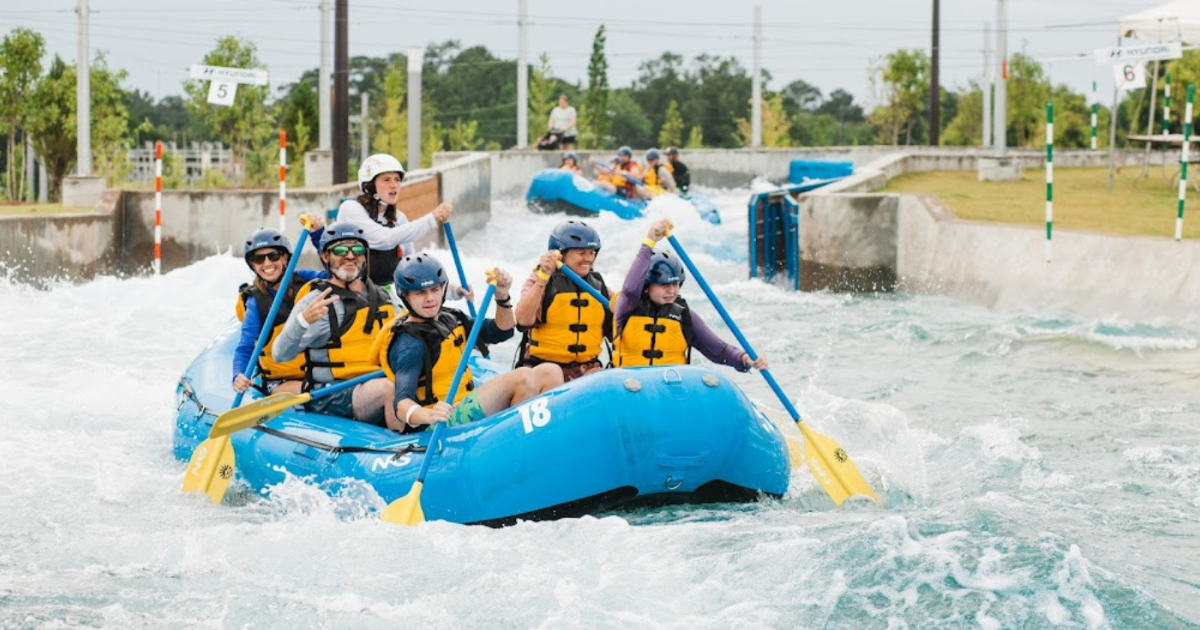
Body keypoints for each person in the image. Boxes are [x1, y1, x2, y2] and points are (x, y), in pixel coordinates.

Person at [376, 255, 563, 432]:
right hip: (438, 424)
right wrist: (428, 414)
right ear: (405, 296)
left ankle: (547, 439)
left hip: (463, 403)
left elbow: (502, 331)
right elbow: (401, 403)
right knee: (522, 378)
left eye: (435, 290)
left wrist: (502, 296)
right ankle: (517, 444)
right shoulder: (409, 343)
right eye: (420, 293)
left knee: (551, 372)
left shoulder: (451, 318)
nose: (430, 298)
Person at [272, 222, 399, 427]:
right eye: (340, 250)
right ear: (325, 256)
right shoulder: (314, 302)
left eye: (357, 249)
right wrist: (303, 321)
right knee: (390, 388)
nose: (350, 256)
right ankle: (403, 451)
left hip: (377, 378)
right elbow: (280, 354)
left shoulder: (384, 296)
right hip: (332, 393)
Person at [613, 219, 769, 372]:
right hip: (631, 387)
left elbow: (718, 351)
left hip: (668, 389)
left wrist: (745, 359)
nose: (672, 291)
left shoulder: (684, 316)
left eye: (676, 284)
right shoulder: (627, 306)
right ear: (647, 287)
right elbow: (630, 289)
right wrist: (649, 242)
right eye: (664, 285)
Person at [231, 220, 328, 395]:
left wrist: (318, 235)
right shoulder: (255, 302)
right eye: (259, 259)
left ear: (285, 258)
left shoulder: (305, 279)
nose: (267, 263)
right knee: (318, 391)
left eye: (274, 256)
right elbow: (246, 346)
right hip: (281, 381)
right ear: (252, 265)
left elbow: (335, 274)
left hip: (320, 373)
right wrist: (238, 375)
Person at [514, 220, 613, 382]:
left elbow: (623, 318)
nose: (588, 259)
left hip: (587, 371)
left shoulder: (599, 286)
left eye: (592, 252)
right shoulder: (540, 280)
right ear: (561, 254)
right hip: (546, 371)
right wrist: (543, 278)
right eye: (582, 253)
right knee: (551, 375)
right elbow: (523, 320)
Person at [335, 153, 452, 287]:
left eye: (397, 179)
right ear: (370, 185)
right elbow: (383, 239)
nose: (394, 185)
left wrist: (449, 289)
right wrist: (431, 219)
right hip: (350, 291)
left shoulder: (399, 218)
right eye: (387, 180)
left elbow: (410, 266)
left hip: (383, 294)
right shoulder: (350, 209)